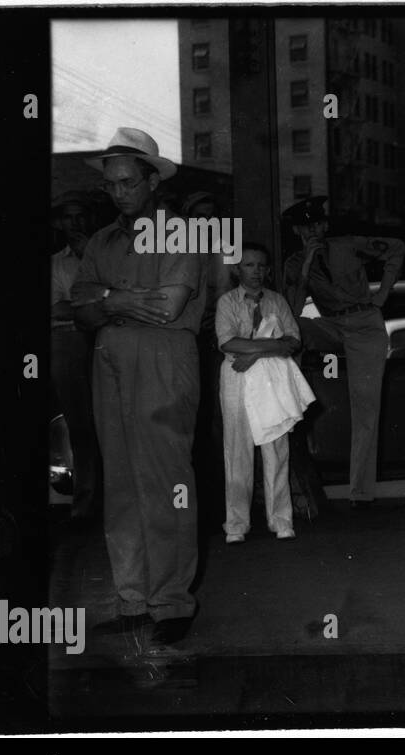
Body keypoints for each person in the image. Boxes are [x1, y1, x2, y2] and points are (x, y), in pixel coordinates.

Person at [71, 127, 205, 645]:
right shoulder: (102, 240)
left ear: (153, 181)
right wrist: (121, 300)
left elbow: (167, 306)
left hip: (162, 357)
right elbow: (77, 308)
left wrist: (106, 300)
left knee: (165, 480)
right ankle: (132, 597)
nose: (119, 193)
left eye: (128, 182)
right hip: (108, 357)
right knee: (122, 482)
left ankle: (172, 601)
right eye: (111, 185)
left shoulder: (182, 234)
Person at [280, 196, 405, 509]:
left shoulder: (348, 245)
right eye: (306, 226)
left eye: (317, 224)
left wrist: (384, 293)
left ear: (325, 224)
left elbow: (396, 248)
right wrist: (307, 263)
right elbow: (292, 310)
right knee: (291, 330)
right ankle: (290, 403)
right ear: (297, 230)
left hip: (364, 325)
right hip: (330, 326)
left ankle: (360, 493)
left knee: (365, 407)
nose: (313, 231)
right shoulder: (294, 263)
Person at [216, 242, 307, 543]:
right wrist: (272, 346)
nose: (256, 271)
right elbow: (228, 343)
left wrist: (254, 353)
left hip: (270, 380)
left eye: (261, 266)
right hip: (237, 376)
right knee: (237, 450)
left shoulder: (277, 301)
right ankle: (236, 524)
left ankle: (281, 519)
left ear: (268, 270)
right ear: (236, 269)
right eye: (249, 265)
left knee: (276, 448)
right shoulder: (227, 302)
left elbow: (293, 340)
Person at [50, 190, 102, 526]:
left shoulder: (102, 255)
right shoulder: (54, 263)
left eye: (80, 215)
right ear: (59, 222)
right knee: (80, 426)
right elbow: (55, 307)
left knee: (111, 423)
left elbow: (110, 298)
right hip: (69, 343)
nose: (75, 223)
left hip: (103, 342)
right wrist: (95, 308)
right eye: (68, 217)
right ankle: (84, 503)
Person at [183, 190, 232, 536]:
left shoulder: (223, 254)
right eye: (198, 216)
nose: (205, 223)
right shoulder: (178, 251)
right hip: (185, 343)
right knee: (190, 425)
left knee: (218, 425)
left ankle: (219, 508)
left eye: (211, 217)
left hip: (214, 343)